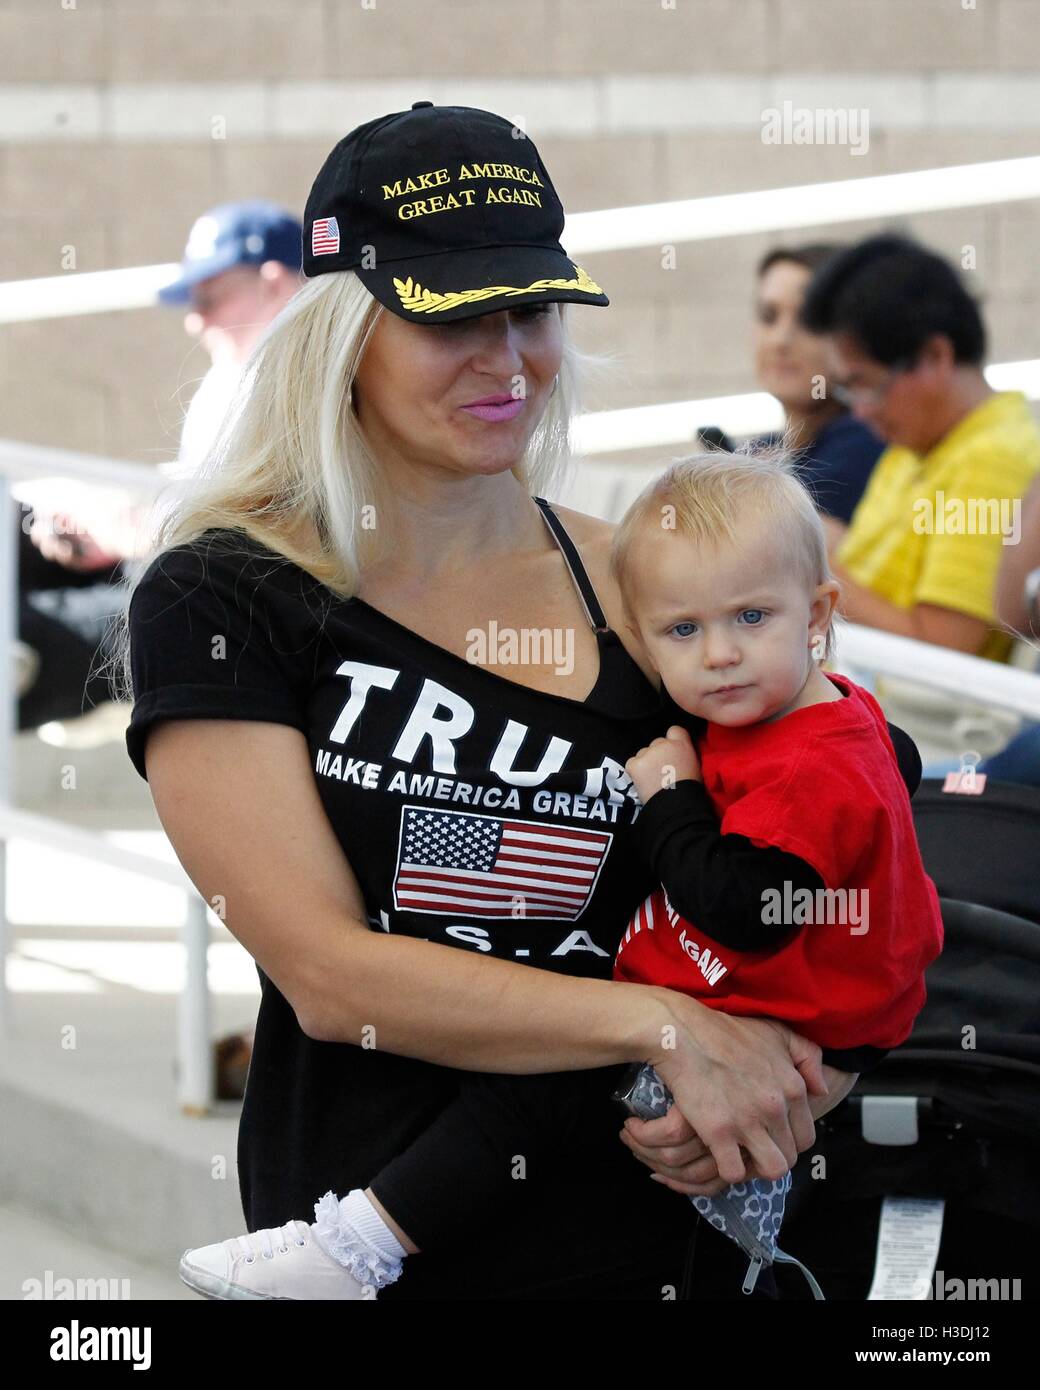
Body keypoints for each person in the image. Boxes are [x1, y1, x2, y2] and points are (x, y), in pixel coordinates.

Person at [118, 102, 916, 1301]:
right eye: (451, 317)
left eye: (530, 310)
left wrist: (798, 1069)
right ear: (340, 333)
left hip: (661, 1235)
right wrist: (665, 1026)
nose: (508, 360)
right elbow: (336, 980)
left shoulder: (649, 588)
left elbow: (853, 812)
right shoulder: (226, 595)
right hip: (372, 1243)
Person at [173, 450, 941, 1302]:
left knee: (540, 1092)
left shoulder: (779, 715)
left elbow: (751, 901)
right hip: (678, 1026)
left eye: (751, 617)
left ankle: (356, 1250)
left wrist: (672, 802)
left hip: (748, 1024)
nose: (719, 654)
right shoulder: (226, 589)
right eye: (682, 633)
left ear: (817, 613)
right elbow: (327, 979)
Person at [800, 233, 1040, 664]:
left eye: (866, 385)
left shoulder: (992, 458)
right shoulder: (915, 444)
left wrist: (812, 565)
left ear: (935, 356)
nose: (859, 411)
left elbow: (945, 652)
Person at [752, 243, 884, 535]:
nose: (781, 340)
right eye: (769, 316)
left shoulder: (865, 440)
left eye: (807, 321)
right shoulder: (766, 448)